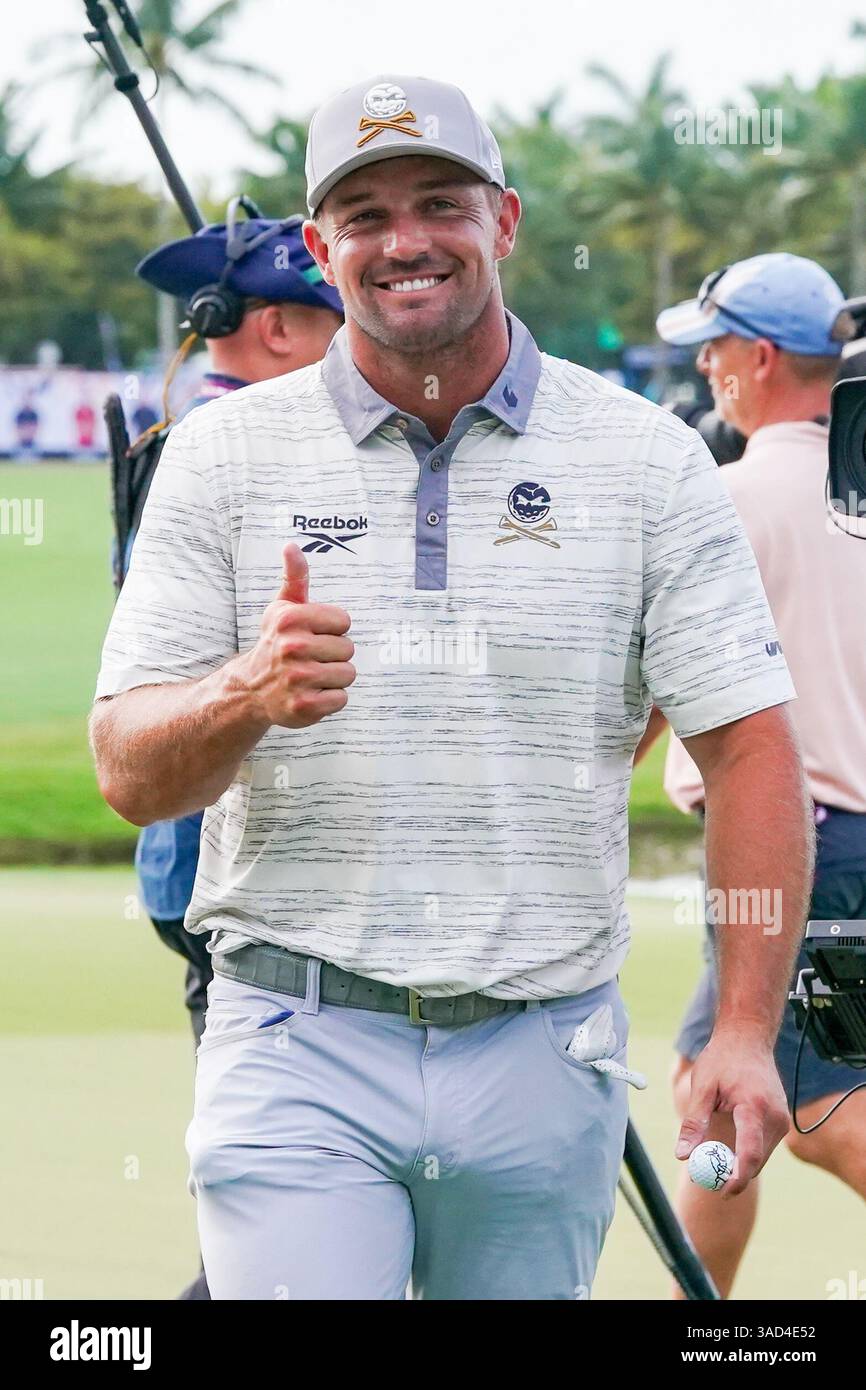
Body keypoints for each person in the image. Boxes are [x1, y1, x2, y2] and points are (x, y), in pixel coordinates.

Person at [91, 77, 811, 1302]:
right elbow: (125, 768)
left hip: (543, 1044)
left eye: (440, 201)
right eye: (363, 214)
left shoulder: (646, 459)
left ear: (506, 221)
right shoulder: (219, 455)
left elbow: (745, 746)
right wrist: (243, 694)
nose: (404, 238)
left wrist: (742, 1024)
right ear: (321, 251)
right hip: (293, 1030)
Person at [122, 206, 343, 1300]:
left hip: (235, 865)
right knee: (279, 1215)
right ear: (274, 333)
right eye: (328, 319)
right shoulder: (221, 456)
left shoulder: (193, 441)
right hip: (234, 870)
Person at [639, 253, 866, 1298]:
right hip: (836, 846)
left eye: (714, 347)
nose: (706, 367)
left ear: (760, 358)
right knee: (720, 1095)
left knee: (820, 1117)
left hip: (796, 850)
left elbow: (646, 688)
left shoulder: (723, 496)